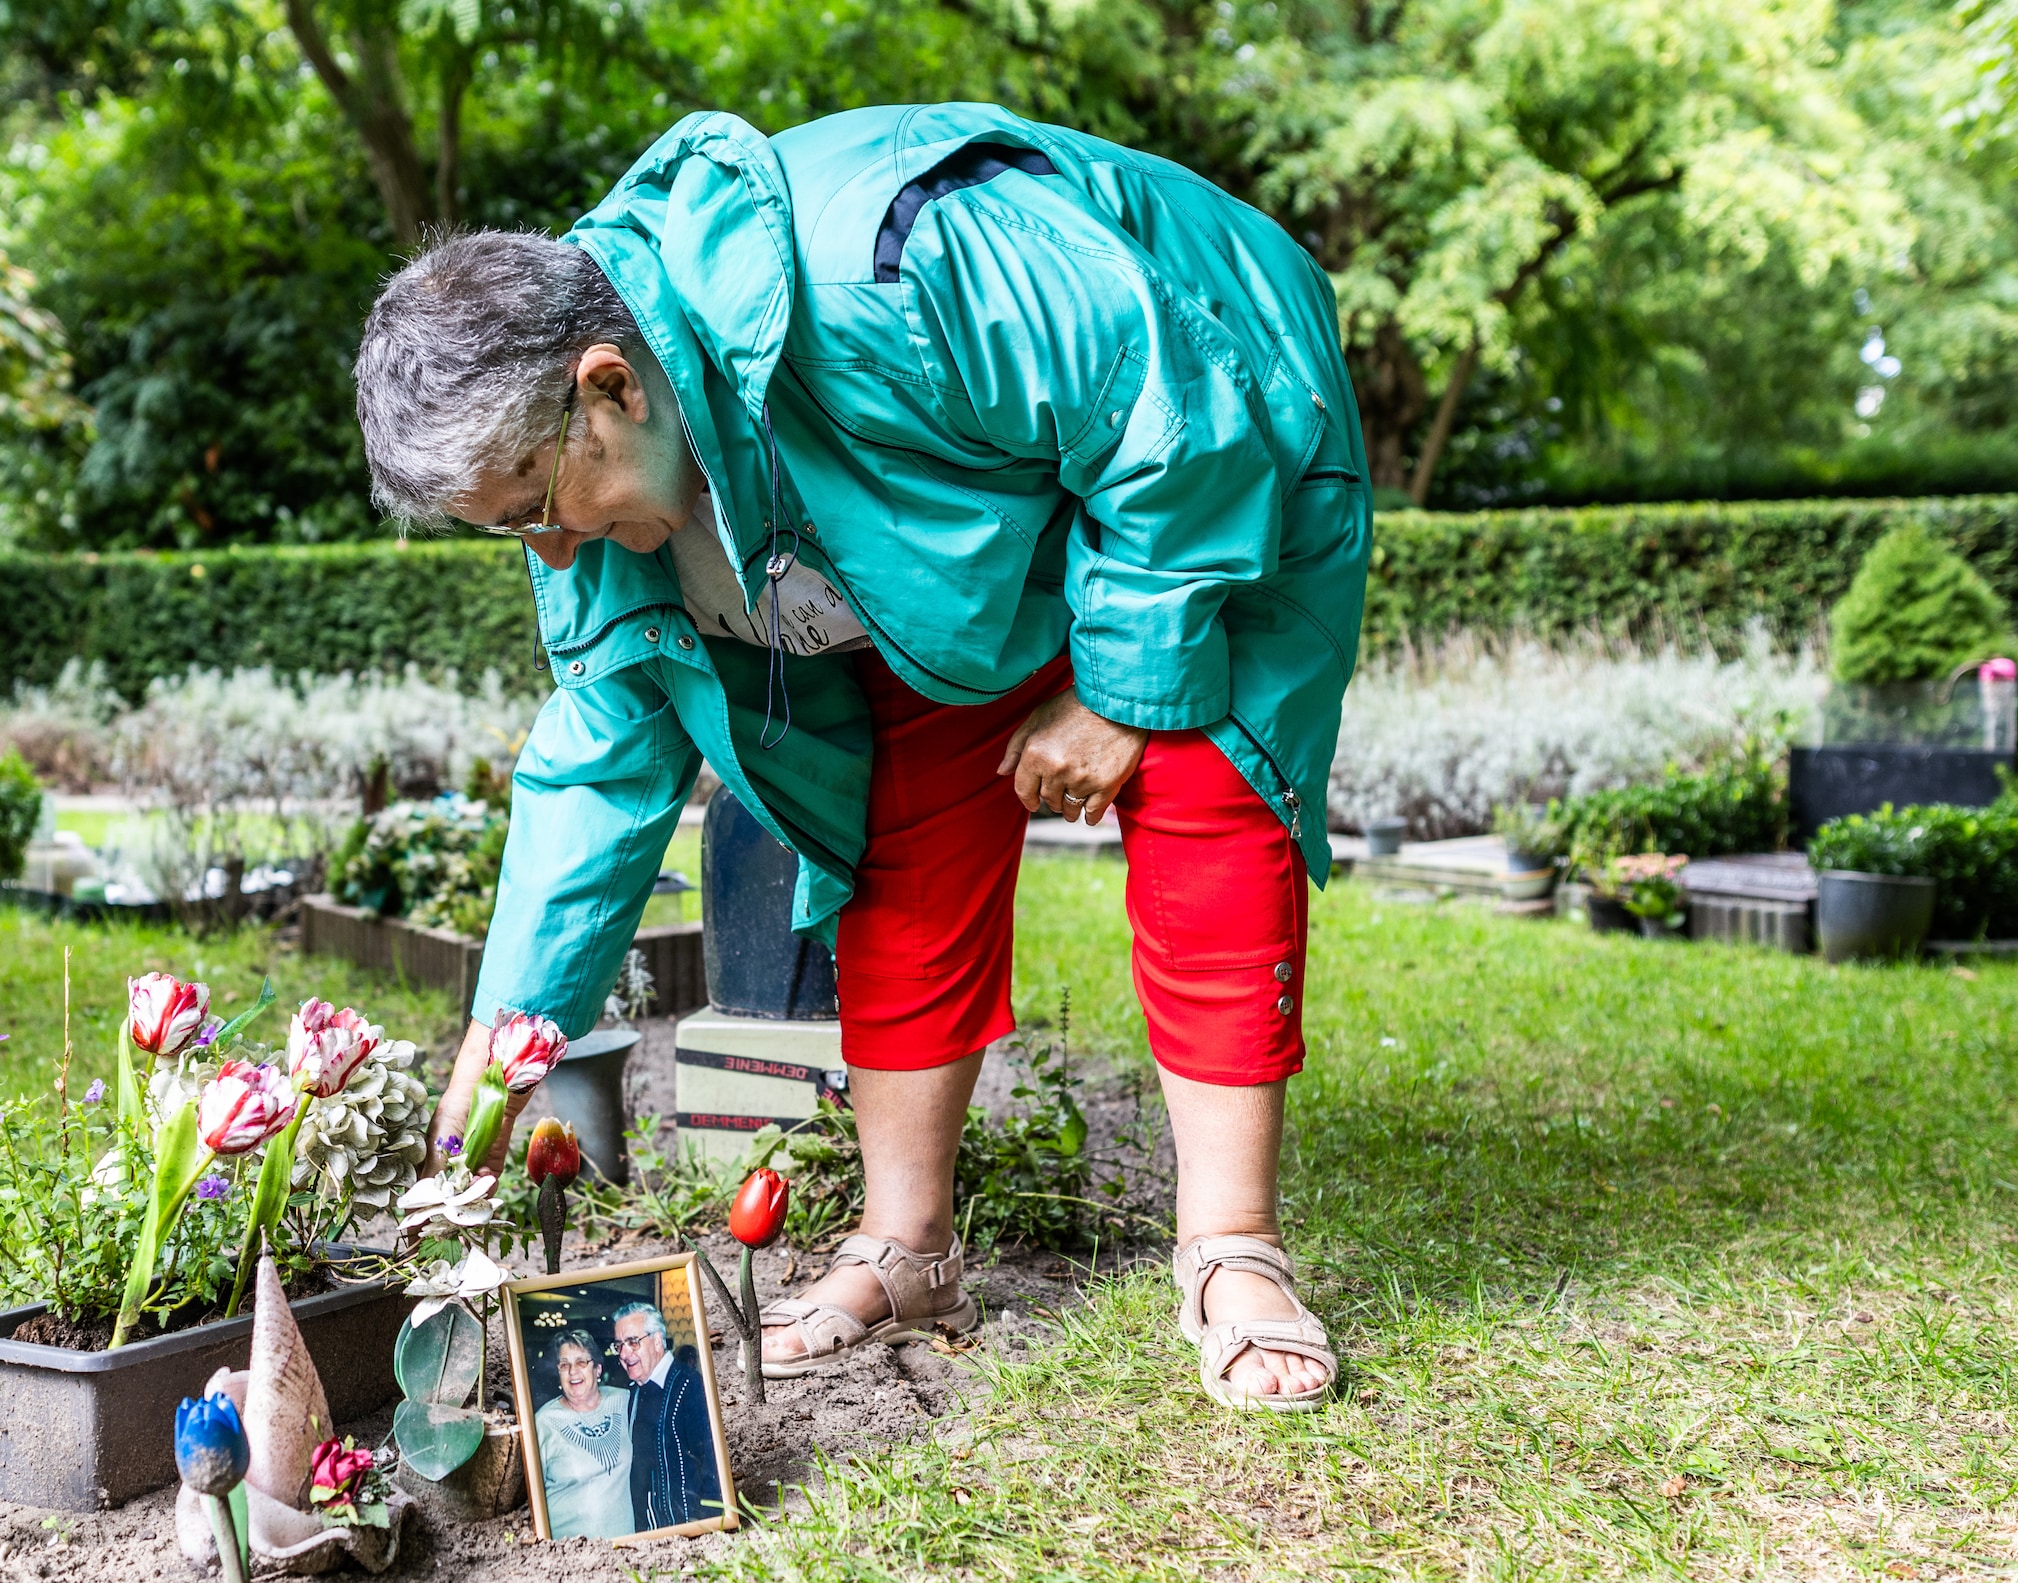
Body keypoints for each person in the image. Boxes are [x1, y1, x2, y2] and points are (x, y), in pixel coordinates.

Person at [361, 101, 1366, 1413]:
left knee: (1196, 774)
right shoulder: (606, 505)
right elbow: (600, 773)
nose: (550, 553)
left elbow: (1167, 403)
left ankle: (1233, 1251)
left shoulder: (892, 269)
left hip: (1215, 419)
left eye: (539, 508)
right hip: (965, 530)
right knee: (902, 828)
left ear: (608, 385)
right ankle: (909, 1251)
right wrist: (492, 1075)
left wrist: (1121, 696)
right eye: (510, 534)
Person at [611, 1301, 722, 1530]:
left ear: (658, 1341)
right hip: (647, 1533)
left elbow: (713, 1464)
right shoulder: (632, 1394)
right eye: (619, 1345)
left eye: (632, 1342)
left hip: (689, 1528)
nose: (624, 1353)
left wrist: (713, 1526)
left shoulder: (689, 1385)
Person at [529, 1327, 635, 1539]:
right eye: (564, 1365)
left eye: (581, 1362)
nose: (572, 1371)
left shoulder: (625, 1401)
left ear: (597, 1369)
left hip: (628, 1547)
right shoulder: (543, 1422)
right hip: (569, 1552)